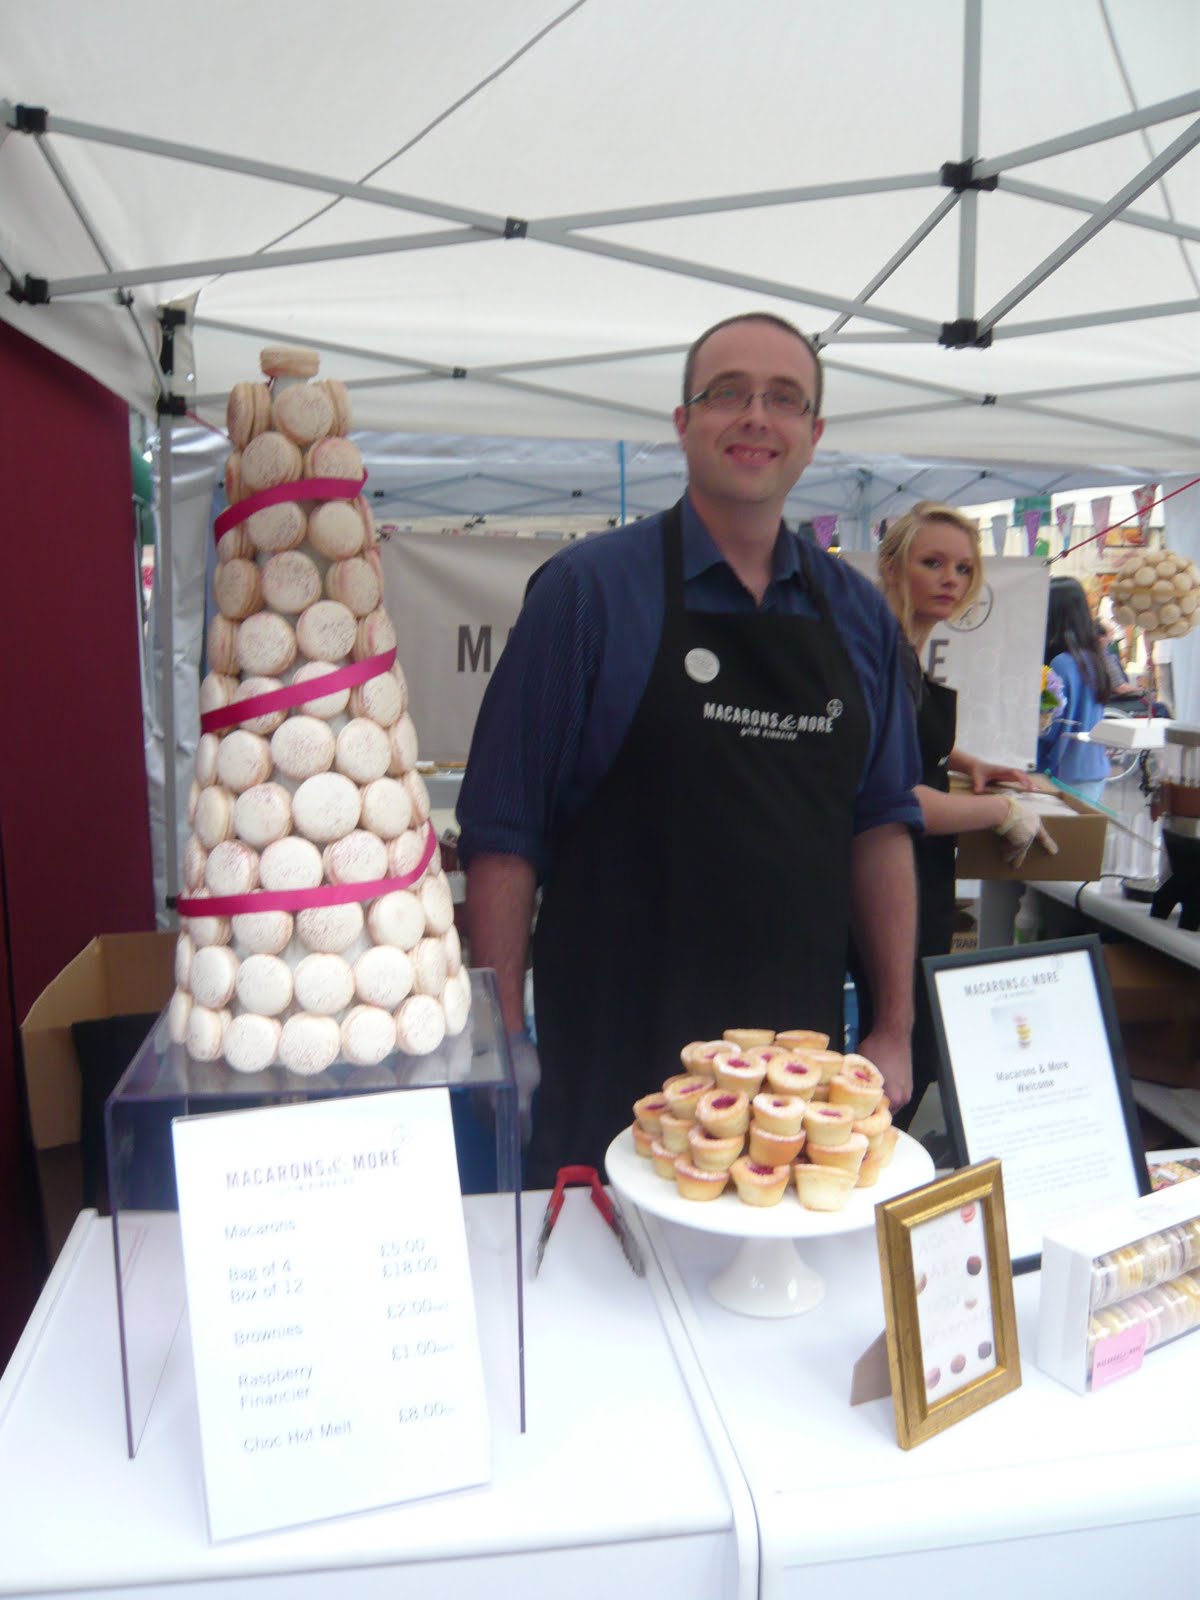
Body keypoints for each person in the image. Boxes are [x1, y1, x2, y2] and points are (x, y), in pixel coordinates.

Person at [458, 312, 922, 1186]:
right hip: (607, 1059)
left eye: (784, 400)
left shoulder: (859, 618)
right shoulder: (586, 595)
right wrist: (504, 1036)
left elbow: (882, 827)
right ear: (683, 422)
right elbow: (503, 830)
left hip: (790, 1096)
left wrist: (893, 1028)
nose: (756, 417)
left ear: (814, 436)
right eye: (727, 394)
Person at [854, 502, 1057, 1130]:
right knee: (900, 1049)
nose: (951, 579)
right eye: (933, 562)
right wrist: (999, 809)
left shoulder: (907, 653)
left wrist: (965, 760)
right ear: (893, 567)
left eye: (964, 568)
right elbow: (895, 796)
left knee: (915, 1042)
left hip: (921, 873)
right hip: (881, 878)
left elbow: (908, 748)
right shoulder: (878, 659)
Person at [1038, 577, 1112, 802]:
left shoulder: (1059, 664)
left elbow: (1046, 724)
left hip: (1062, 774)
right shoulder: (1094, 658)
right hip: (1093, 770)